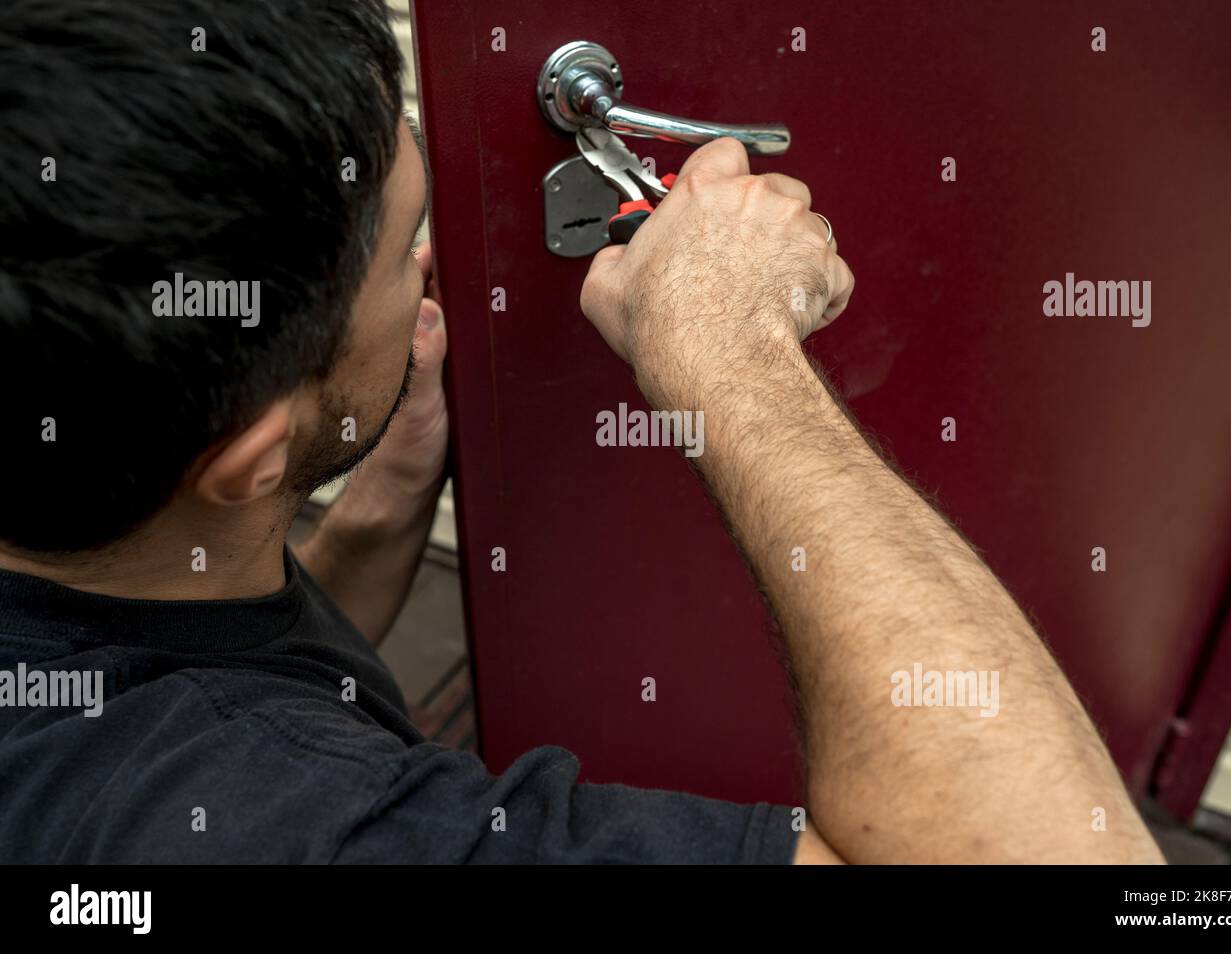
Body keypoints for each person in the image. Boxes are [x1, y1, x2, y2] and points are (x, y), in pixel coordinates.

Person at [0, 0, 1163, 864]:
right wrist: (730, 352)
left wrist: (388, 491)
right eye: (407, 249)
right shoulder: (296, 833)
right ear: (251, 458)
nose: (432, 268)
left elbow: (217, 667)